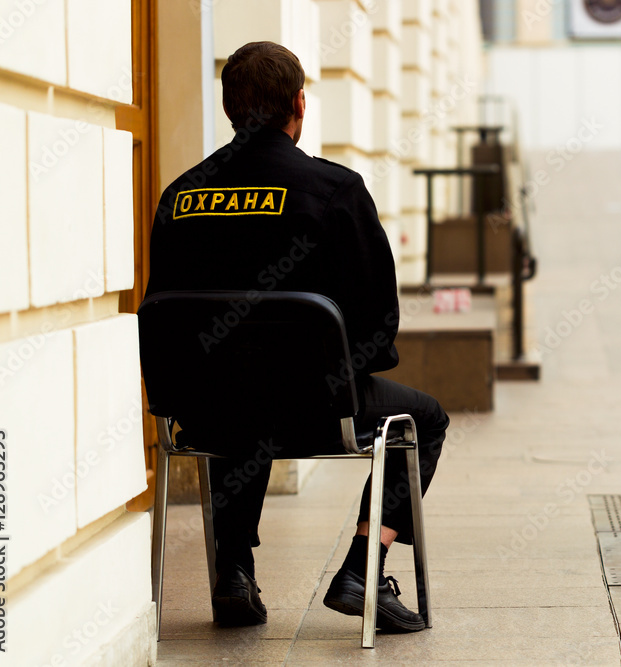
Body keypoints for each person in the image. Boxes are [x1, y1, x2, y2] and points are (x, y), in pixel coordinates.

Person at [144, 41, 448, 632]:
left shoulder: (180, 196)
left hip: (205, 414)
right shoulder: (333, 191)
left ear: (229, 106)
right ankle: (362, 569)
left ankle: (232, 570)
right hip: (315, 409)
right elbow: (378, 323)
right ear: (299, 104)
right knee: (426, 419)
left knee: (238, 391)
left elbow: (166, 317)